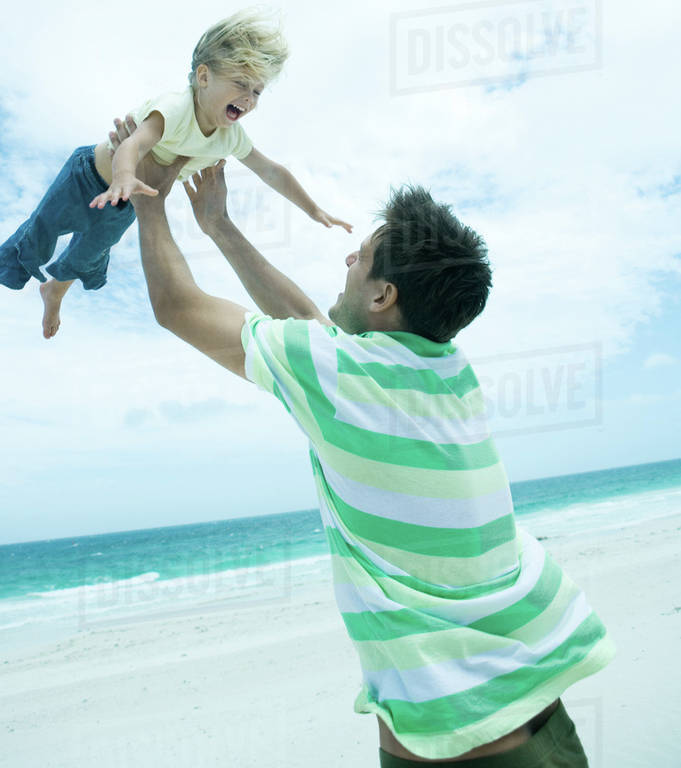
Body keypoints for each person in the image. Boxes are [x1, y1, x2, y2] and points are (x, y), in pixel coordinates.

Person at [121, 126, 615, 766]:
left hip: (462, 753)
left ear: (384, 295)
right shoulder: (449, 369)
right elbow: (318, 334)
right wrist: (220, 228)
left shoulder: (338, 378)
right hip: (545, 719)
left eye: (357, 256)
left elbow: (178, 307)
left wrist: (149, 202)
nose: (346, 262)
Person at [0, 9, 351, 365]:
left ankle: (55, 290)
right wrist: (122, 177)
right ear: (203, 77)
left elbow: (271, 171)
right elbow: (133, 143)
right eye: (241, 83)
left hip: (129, 201)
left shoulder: (230, 138)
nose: (249, 98)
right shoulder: (175, 107)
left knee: (88, 255)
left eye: (257, 90)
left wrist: (313, 208)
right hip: (89, 179)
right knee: (35, 241)